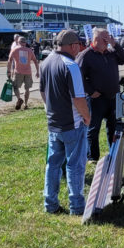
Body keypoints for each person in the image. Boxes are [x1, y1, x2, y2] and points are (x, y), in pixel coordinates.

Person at [39, 30, 91, 215]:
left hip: (54, 123)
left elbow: (43, 92)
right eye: (79, 45)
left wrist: (51, 110)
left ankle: (50, 203)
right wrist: (86, 116)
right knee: (75, 165)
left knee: (53, 164)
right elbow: (78, 98)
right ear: (73, 46)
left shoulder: (45, 62)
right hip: (72, 123)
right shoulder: (71, 66)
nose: (80, 49)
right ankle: (77, 206)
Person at [76, 28, 124, 162]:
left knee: (114, 127)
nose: (108, 41)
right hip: (96, 99)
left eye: (109, 38)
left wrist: (115, 44)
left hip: (113, 97)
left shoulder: (111, 53)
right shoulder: (86, 55)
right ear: (96, 39)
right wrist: (90, 91)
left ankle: (115, 154)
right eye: (105, 39)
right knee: (93, 128)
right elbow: (78, 76)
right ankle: (92, 156)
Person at [7, 36, 41, 110]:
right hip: (28, 72)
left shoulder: (15, 50)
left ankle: (19, 99)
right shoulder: (29, 50)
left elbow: (9, 60)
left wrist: (8, 71)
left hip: (18, 72)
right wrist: (37, 71)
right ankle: (25, 104)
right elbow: (35, 61)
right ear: (25, 43)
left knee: (15, 87)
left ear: (18, 42)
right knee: (27, 88)